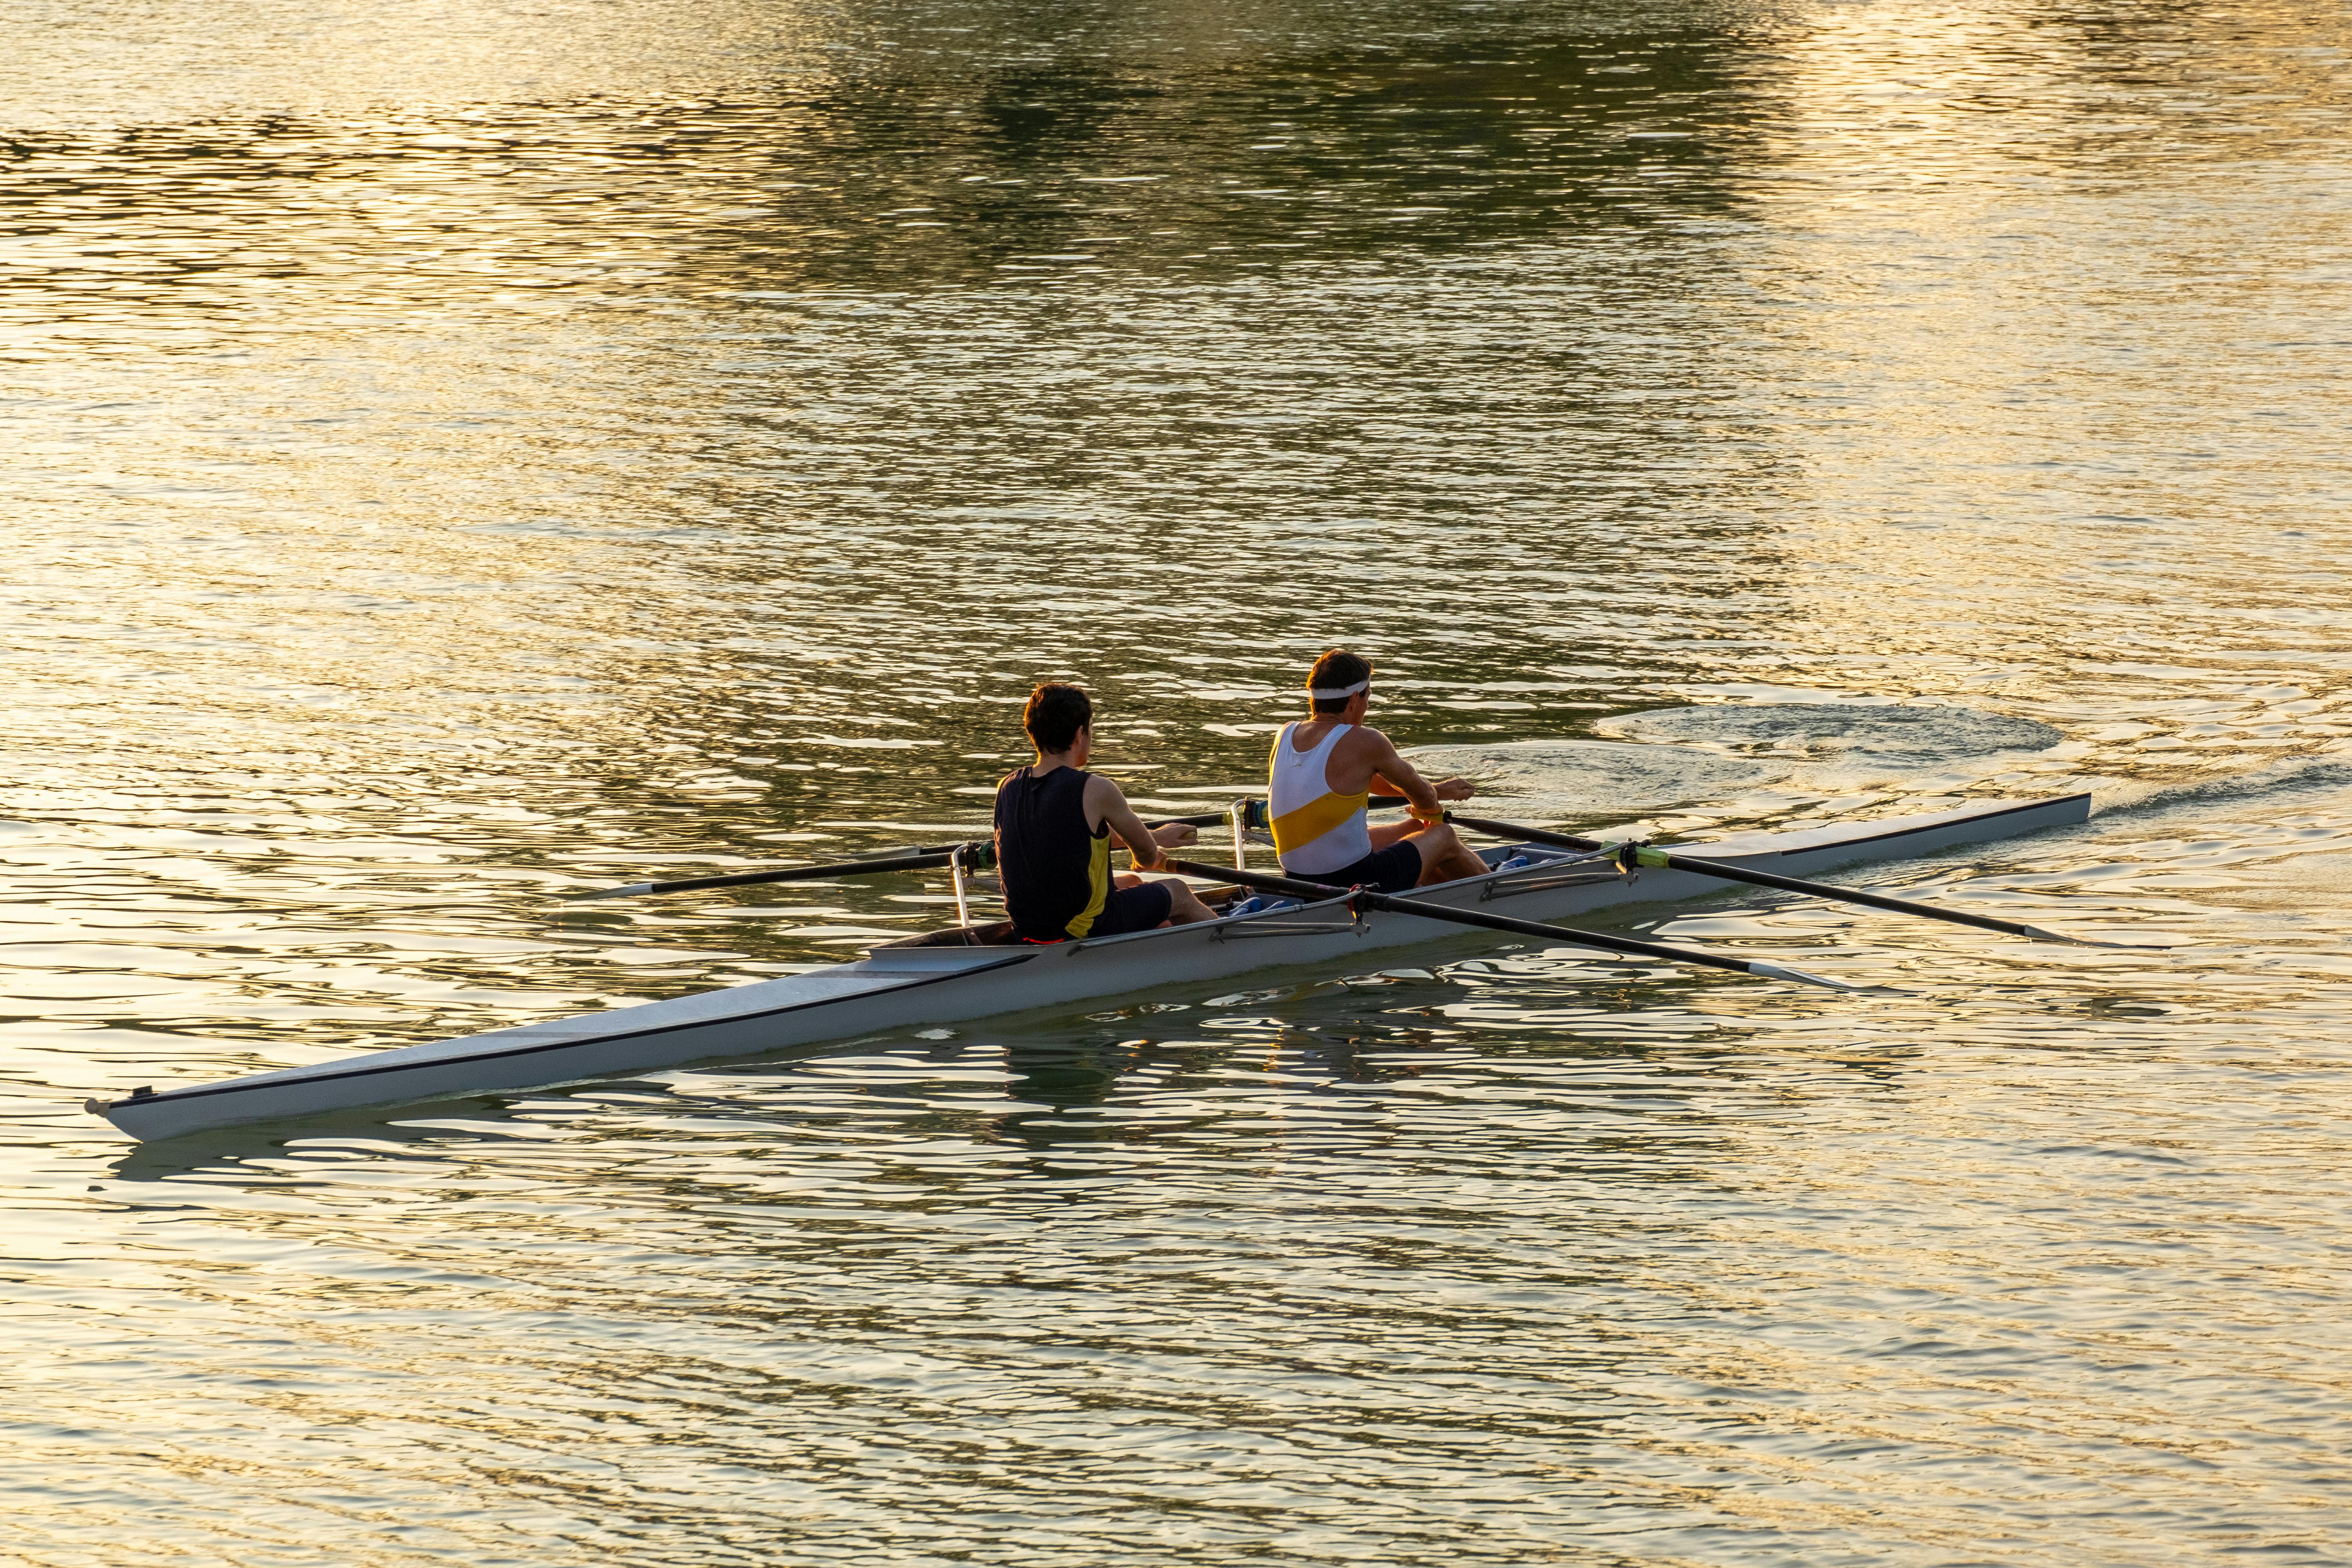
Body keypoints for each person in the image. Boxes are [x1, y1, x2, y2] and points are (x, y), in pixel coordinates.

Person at [994, 683, 1217, 944]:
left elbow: (1067, 835)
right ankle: (1232, 948)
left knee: (1132, 882)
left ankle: (1159, 942)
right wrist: (1149, 850)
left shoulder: (1008, 786)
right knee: (1178, 892)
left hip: (1026, 927)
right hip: (1075, 929)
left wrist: (1157, 835)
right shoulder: (1095, 789)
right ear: (1080, 734)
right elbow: (1146, 858)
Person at [1267, 649, 1486, 891]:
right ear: (1354, 699)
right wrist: (1432, 810)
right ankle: (1494, 892)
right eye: (1367, 697)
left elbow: (1357, 782)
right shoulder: (1367, 741)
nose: (1367, 706)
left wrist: (1436, 790)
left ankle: (1436, 889)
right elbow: (1424, 797)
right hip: (1354, 880)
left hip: (1296, 878)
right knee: (1443, 836)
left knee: (1414, 830)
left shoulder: (1285, 734)